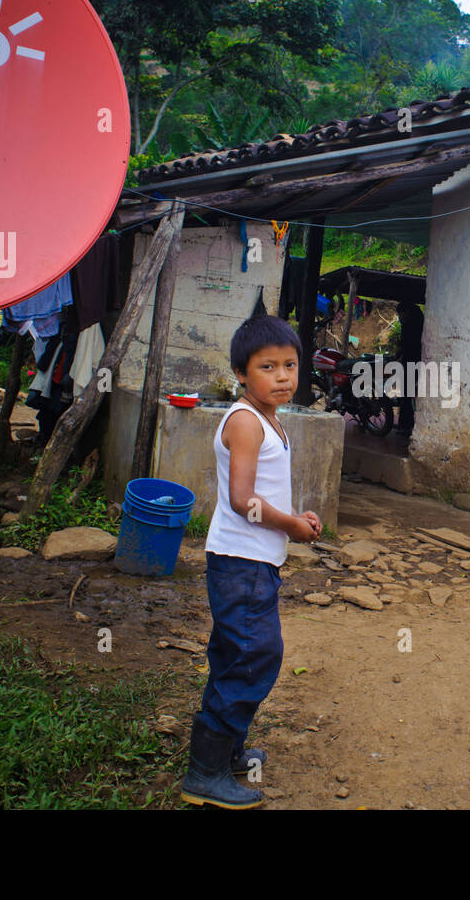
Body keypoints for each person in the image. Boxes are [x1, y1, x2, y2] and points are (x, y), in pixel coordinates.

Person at [180, 314, 323, 809]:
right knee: (253, 656)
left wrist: (294, 515)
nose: (283, 376)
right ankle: (205, 773)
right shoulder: (244, 420)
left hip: (252, 561)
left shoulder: (268, 418)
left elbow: (262, 492)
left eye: (290, 365)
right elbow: (244, 501)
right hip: (241, 563)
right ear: (242, 373)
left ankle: (227, 751)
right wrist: (292, 527)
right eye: (268, 367)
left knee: (235, 654)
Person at [394, 302, 424, 436]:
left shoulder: (409, 326)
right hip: (415, 363)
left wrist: (397, 357)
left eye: (400, 314)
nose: (399, 317)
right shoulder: (418, 324)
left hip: (411, 364)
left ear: (406, 312)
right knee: (409, 395)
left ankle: (406, 425)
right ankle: (407, 423)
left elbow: (404, 346)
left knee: (407, 395)